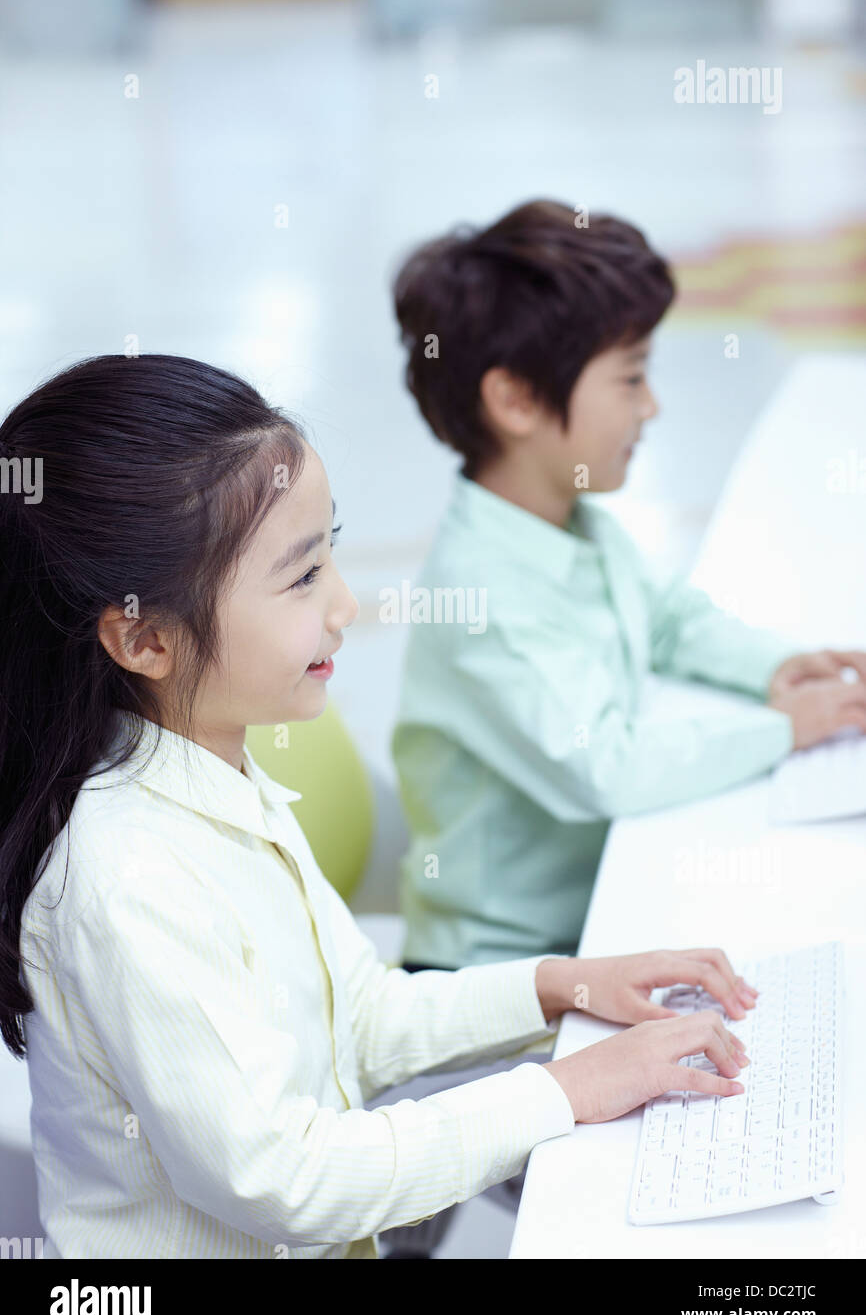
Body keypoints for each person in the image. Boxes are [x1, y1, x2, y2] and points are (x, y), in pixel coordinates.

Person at [0, 354, 753, 1259]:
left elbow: (359, 1017)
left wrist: (566, 985)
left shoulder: (222, 775)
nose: (346, 605)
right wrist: (566, 1091)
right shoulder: (128, 880)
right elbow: (289, 1182)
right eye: (301, 578)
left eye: (331, 555)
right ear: (144, 638)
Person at [389, 198, 866, 975]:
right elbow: (607, 769)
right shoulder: (484, 601)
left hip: (603, 913)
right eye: (631, 379)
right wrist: (785, 728)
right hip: (500, 979)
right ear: (513, 400)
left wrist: (774, 669)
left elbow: (668, 617)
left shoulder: (568, 515)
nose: (652, 407)